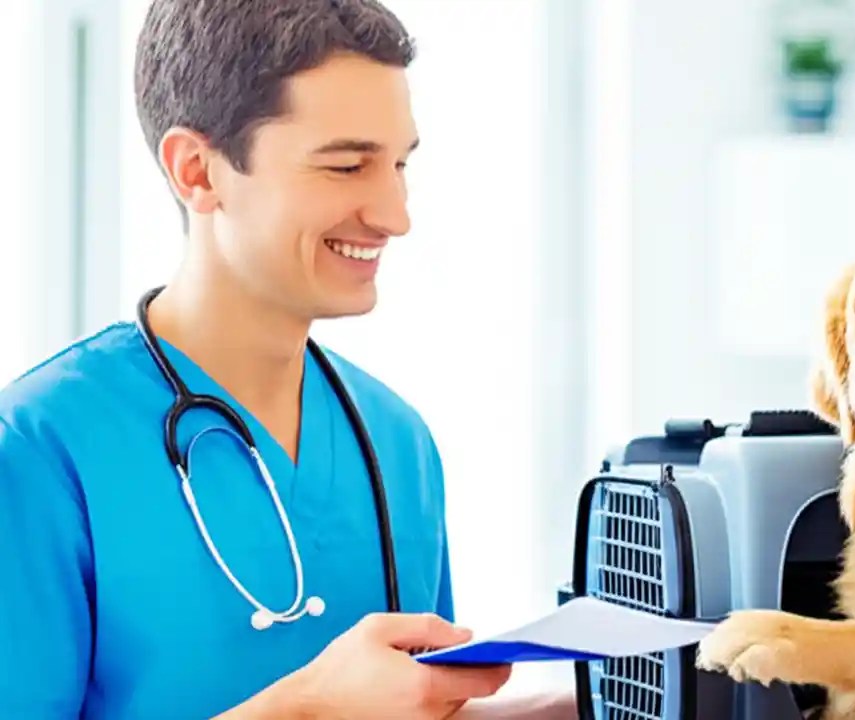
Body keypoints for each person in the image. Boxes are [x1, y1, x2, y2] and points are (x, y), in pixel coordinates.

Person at [0, 1, 573, 718]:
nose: (395, 215)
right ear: (197, 171)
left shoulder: (397, 442)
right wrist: (307, 707)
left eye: (397, 165)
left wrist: (577, 706)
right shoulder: (41, 448)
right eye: (346, 165)